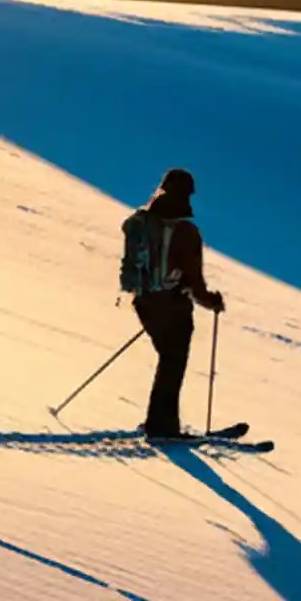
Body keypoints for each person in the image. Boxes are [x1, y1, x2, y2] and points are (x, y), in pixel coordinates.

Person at [121, 168, 225, 439]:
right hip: (173, 307)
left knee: (167, 360)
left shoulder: (142, 222)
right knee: (173, 363)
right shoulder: (186, 231)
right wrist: (212, 301)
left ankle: (160, 422)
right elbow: (194, 281)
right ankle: (162, 426)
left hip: (144, 303)